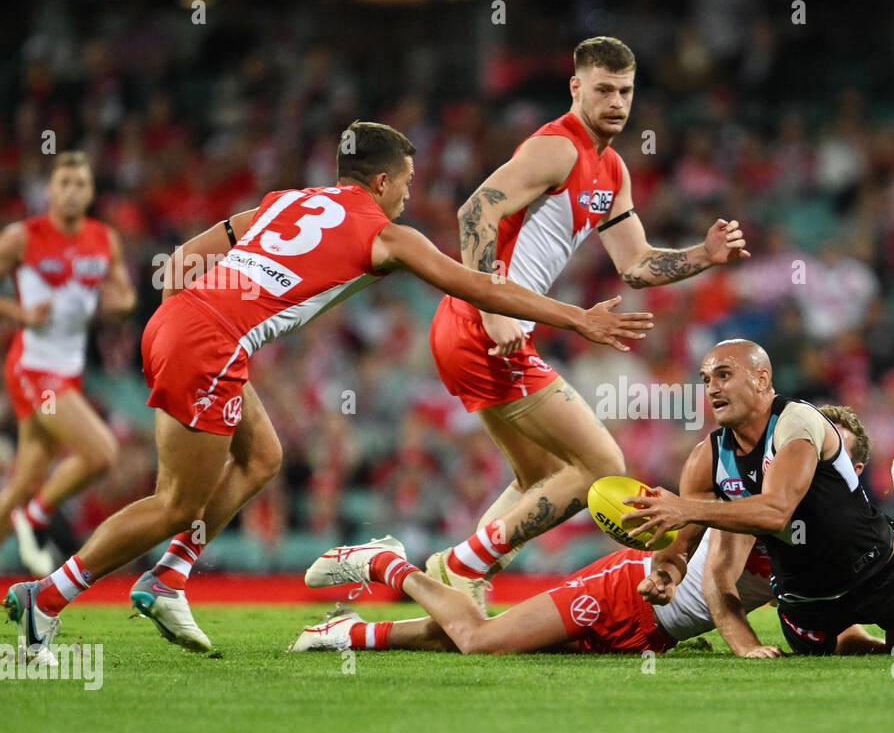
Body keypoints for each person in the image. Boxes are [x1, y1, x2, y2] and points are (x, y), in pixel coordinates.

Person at [5, 120, 651, 667]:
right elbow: (484, 288)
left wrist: (194, 327)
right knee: (175, 502)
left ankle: (170, 575)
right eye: (406, 181)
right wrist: (578, 318)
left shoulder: (288, 200)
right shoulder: (389, 236)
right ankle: (49, 597)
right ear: (380, 181)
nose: (408, 193)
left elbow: (187, 256)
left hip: (185, 323)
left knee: (264, 458)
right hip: (210, 343)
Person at [427, 36, 748, 609]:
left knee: (542, 478)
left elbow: (636, 266)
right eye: (603, 89)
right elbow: (474, 209)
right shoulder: (558, 149)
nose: (617, 102)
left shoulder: (612, 168)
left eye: (625, 91)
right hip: (482, 324)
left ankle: (462, 581)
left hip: (480, 328)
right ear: (576, 87)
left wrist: (703, 255)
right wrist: (492, 307)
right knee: (601, 465)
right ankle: (458, 565)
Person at [293, 405, 894, 657]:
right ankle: (385, 564)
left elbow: (831, 624)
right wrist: (737, 641)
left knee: (488, 644)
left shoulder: (817, 531)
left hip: (653, 634)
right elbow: (721, 576)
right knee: (484, 642)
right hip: (625, 591)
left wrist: (889, 644)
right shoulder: (754, 497)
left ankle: (348, 631)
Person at [621, 340, 894, 654]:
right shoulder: (705, 460)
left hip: (872, 568)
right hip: (802, 599)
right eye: (706, 379)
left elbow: (776, 511)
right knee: (829, 650)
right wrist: (665, 574)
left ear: (762, 378)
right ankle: (892, 638)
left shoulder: (796, 422)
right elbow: (681, 548)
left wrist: (685, 508)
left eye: (724, 375)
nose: (712, 388)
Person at [0, 152, 136, 575]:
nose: (73, 191)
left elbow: (126, 297)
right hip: (33, 369)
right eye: (65, 183)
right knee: (102, 452)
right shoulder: (22, 237)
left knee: (23, 482)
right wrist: (21, 315)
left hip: (68, 370)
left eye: (81, 184)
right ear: (50, 190)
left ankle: (27, 509)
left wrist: (116, 306)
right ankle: (37, 516)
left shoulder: (103, 239)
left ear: (91, 192)